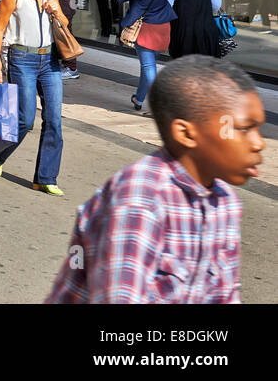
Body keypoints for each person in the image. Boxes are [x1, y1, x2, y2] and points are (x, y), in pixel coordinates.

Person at [47, 56, 265, 303]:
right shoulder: (140, 202)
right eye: (244, 129)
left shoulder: (225, 202)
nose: (259, 143)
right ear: (186, 133)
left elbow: (225, 294)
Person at [0, 0, 69, 195]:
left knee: (54, 119)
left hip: (50, 60)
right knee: (24, 118)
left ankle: (46, 177)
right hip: (22, 57)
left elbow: (65, 24)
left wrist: (56, 11)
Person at [119, 0, 176, 112]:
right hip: (163, 26)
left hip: (145, 28)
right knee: (148, 66)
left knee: (148, 67)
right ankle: (139, 98)